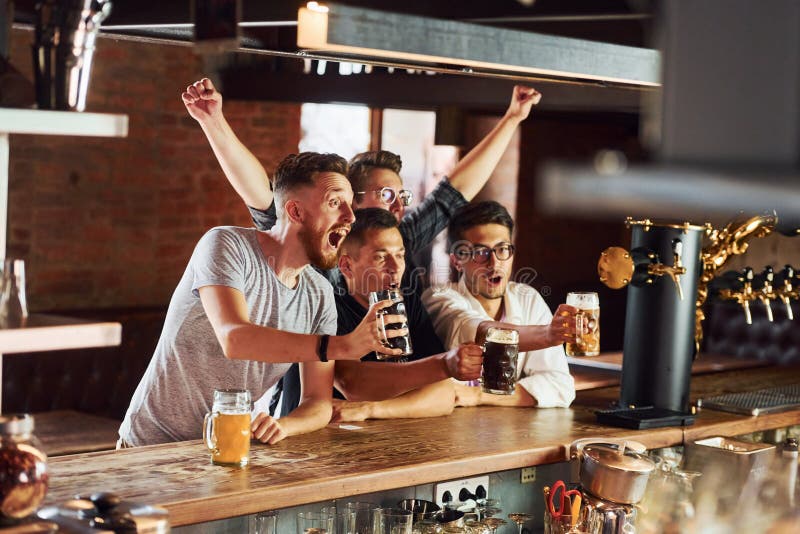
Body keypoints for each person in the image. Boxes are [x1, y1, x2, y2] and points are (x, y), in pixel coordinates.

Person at [181, 77, 541, 411]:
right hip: (301, 413)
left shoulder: (397, 242)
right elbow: (262, 193)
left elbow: (454, 193)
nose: (400, 204)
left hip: (360, 421)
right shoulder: (309, 248)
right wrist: (214, 123)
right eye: (387, 194)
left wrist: (513, 117)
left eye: (402, 194)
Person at [118, 152, 402, 447]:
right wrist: (343, 345)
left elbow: (317, 402)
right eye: (335, 203)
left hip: (227, 449)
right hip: (150, 447)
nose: (350, 217)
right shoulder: (226, 245)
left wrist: (283, 426)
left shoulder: (318, 293)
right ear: (295, 212)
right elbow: (235, 338)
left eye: (350, 205)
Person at [329, 207, 484, 420]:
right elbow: (351, 382)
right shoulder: (328, 307)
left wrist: (370, 410)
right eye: (381, 258)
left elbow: (443, 394)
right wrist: (442, 366)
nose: (395, 267)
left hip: (393, 436)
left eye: (400, 255)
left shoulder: (407, 302)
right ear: (346, 266)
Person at [422, 201, 577, 408]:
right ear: (457, 260)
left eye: (502, 249)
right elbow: (479, 331)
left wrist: (478, 396)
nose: (494, 264)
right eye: (480, 252)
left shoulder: (527, 298)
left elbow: (560, 386)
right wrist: (547, 334)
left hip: (509, 429)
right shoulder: (439, 297)